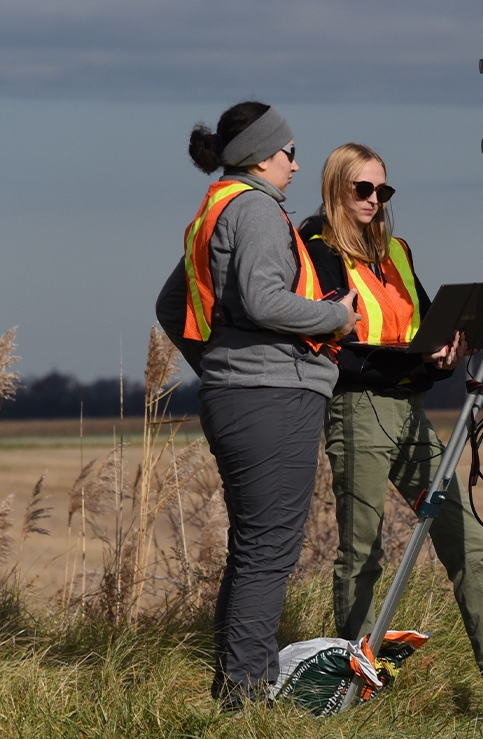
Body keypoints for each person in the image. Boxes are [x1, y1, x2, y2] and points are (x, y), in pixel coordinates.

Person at [154, 102, 358, 709]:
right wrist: (336, 318)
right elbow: (266, 301)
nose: (297, 164)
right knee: (269, 551)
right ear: (266, 155)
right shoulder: (260, 211)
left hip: (234, 398)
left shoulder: (215, 209)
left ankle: (236, 687)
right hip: (273, 401)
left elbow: (172, 306)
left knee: (253, 548)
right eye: (291, 153)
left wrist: (219, 367)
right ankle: (246, 697)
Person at [297, 142, 483, 683]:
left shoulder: (396, 251)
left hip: (411, 408)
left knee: (464, 538)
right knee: (362, 550)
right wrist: (412, 365)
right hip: (358, 410)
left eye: (383, 190)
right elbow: (332, 347)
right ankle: (353, 677)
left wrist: (443, 357)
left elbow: (424, 333)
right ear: (336, 189)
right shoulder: (315, 251)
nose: (376, 199)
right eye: (364, 189)